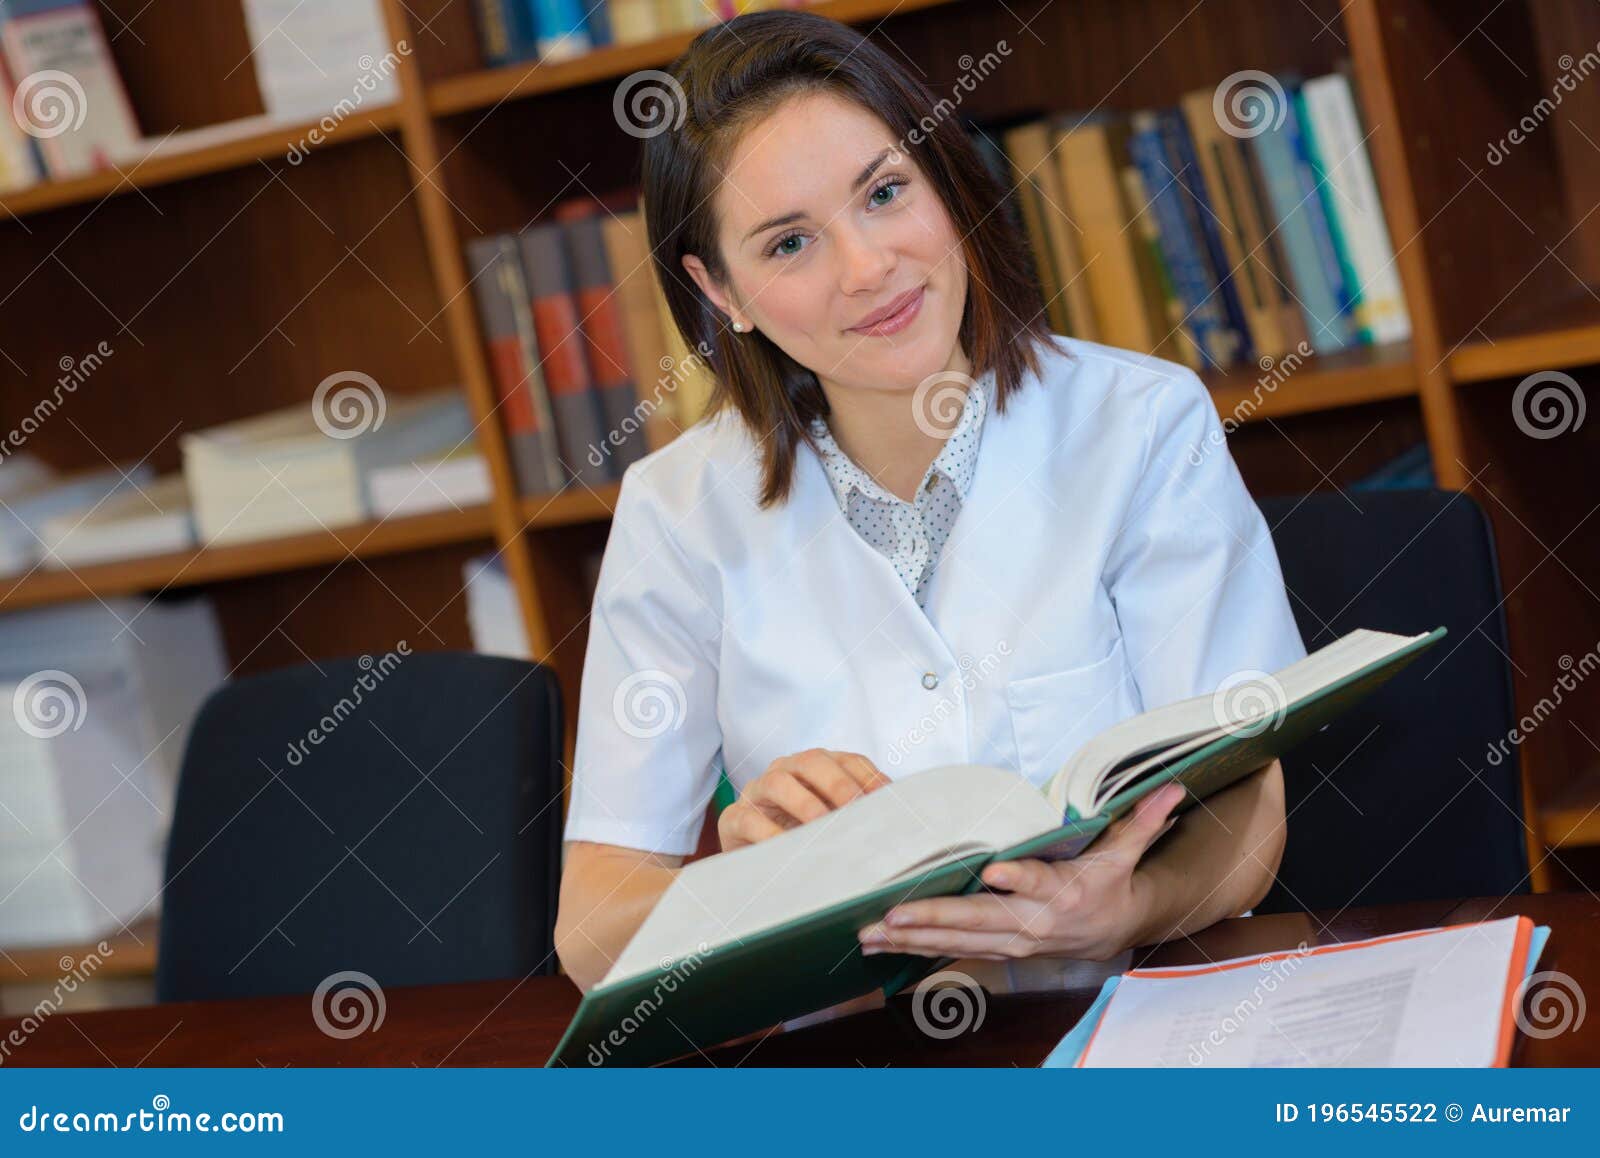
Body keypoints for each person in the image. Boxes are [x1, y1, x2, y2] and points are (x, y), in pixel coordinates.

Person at [553, 10, 1304, 994]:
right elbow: (592, 927)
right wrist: (746, 887)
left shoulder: (1140, 426)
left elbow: (1248, 812)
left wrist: (1122, 908)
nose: (868, 270)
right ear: (718, 290)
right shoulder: (676, 512)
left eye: (883, 191)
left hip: (1120, 1027)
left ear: (943, 182)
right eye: (788, 244)